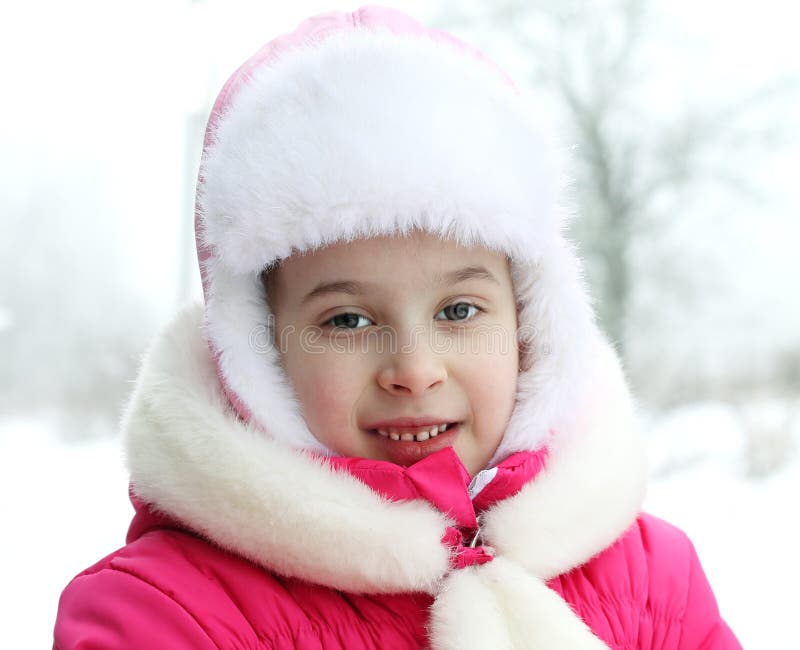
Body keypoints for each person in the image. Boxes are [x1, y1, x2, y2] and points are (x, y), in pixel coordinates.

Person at [53, 6, 741, 649]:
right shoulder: (163, 613)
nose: (414, 368)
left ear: (531, 323)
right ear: (258, 351)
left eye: (459, 311)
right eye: (347, 319)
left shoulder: (655, 583)